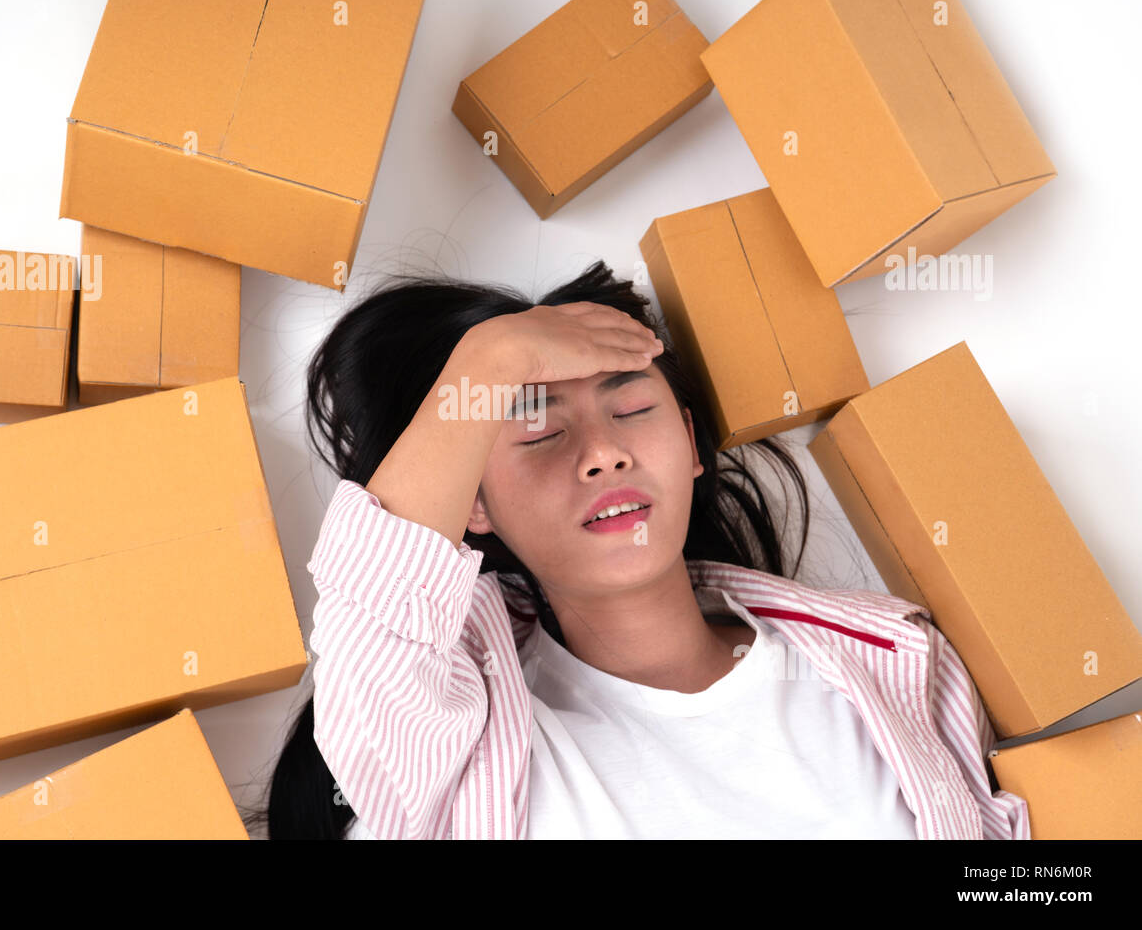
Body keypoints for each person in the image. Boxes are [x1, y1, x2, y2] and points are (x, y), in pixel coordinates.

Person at [247, 260, 1028, 839]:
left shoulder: (897, 662)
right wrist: (492, 360)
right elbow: (377, 624)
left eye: (632, 406)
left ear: (689, 444)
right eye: (541, 432)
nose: (603, 454)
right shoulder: (455, 742)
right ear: (473, 506)